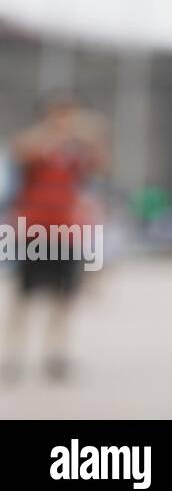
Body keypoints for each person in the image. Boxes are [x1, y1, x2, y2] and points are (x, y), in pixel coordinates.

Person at [1, 91, 109, 382]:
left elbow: (101, 160)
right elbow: (20, 150)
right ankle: (13, 354)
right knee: (24, 296)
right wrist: (53, 134)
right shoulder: (36, 144)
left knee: (64, 297)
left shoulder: (76, 151)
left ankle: (55, 354)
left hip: (66, 230)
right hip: (35, 228)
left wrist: (83, 133)